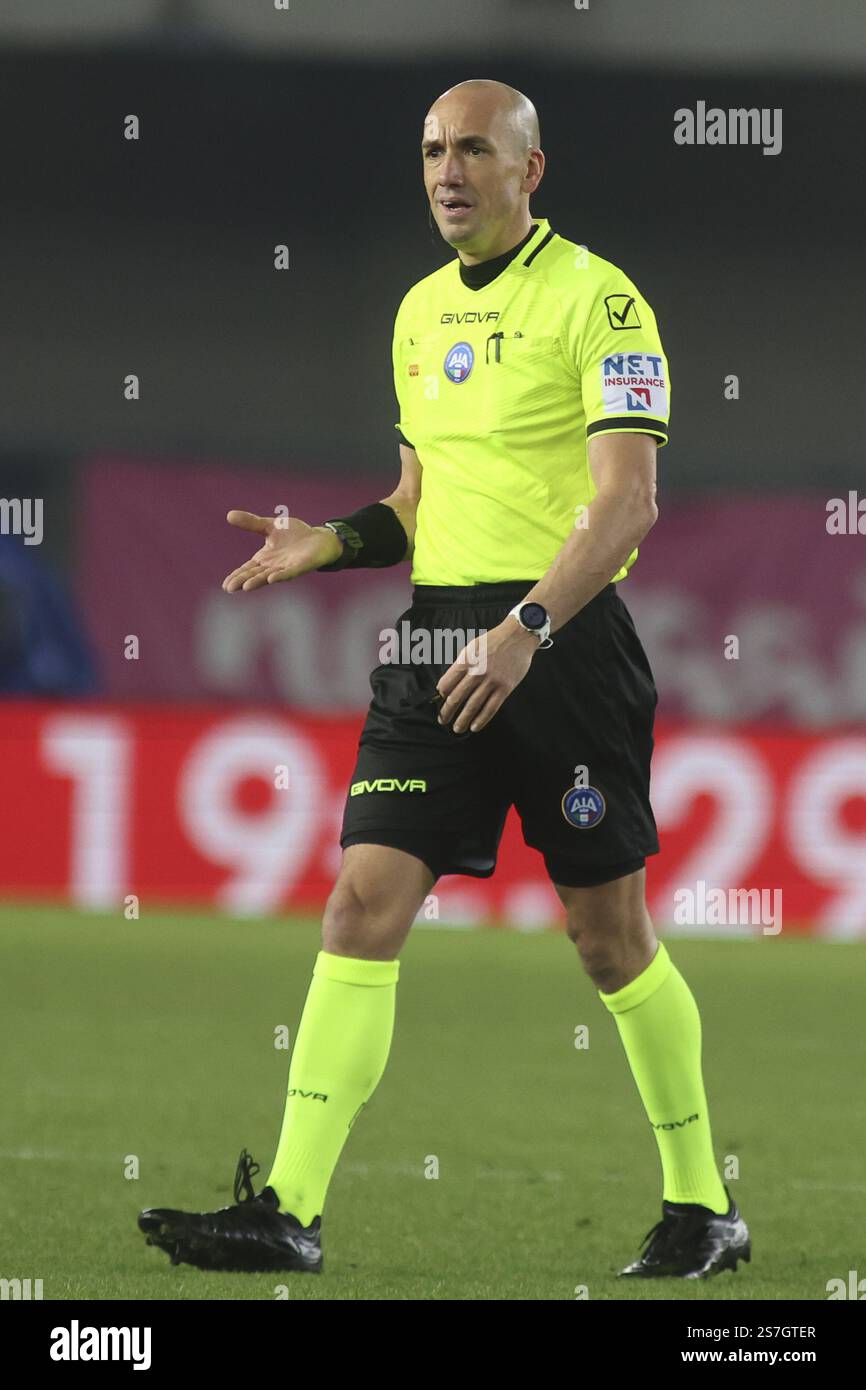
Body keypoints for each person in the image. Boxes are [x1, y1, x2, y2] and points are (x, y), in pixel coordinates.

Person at [139, 78, 750, 1281]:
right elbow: (419, 503)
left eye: (473, 149)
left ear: (531, 168)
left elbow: (626, 501)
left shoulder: (600, 300)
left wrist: (525, 625)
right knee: (361, 901)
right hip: (434, 647)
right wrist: (333, 540)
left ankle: (699, 1207)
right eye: (429, 151)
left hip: (560, 642)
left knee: (605, 936)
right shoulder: (417, 313)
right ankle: (290, 1208)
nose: (446, 171)